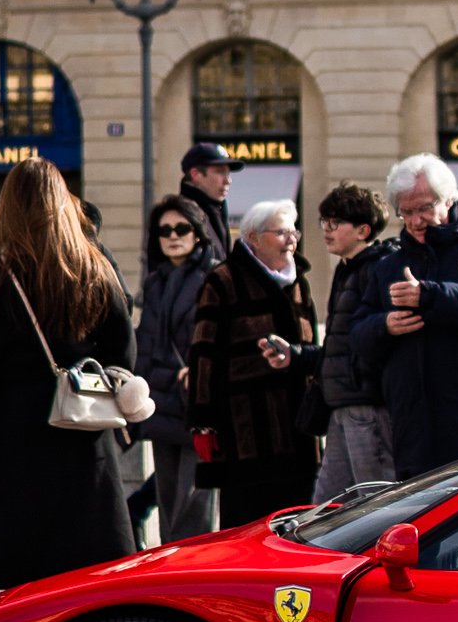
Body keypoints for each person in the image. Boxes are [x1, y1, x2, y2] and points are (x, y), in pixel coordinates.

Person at [0, 157, 135, 592]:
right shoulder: (92, 264)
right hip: (83, 421)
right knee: (89, 549)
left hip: (13, 426)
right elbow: (123, 347)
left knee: (14, 561)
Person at [351, 155, 458, 476]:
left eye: (424, 208)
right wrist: (385, 326)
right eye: (406, 212)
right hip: (412, 427)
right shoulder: (390, 264)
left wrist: (430, 296)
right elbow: (358, 335)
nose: (415, 220)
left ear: (449, 200)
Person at [188, 197, 320, 528]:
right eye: (281, 233)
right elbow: (203, 353)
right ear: (253, 238)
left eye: (294, 232)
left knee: (298, 524)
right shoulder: (223, 280)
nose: (291, 240)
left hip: (298, 428)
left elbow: (312, 348)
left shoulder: (299, 282)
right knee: (246, 525)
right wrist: (203, 421)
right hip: (245, 430)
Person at [261, 183, 394, 501]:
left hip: (367, 406)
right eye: (324, 222)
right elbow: (339, 348)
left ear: (363, 230)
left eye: (335, 223)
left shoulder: (378, 269)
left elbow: (374, 343)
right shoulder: (347, 270)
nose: (326, 230)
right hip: (342, 404)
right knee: (328, 506)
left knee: (376, 503)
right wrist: (295, 356)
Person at [133, 195, 219, 542]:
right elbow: (146, 344)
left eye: (181, 228)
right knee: (168, 500)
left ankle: (195, 570)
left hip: (198, 400)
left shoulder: (214, 276)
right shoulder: (155, 282)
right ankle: (171, 568)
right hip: (160, 399)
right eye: (164, 230)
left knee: (195, 503)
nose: (172, 236)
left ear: (197, 233)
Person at [176, 141, 235, 266]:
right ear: (196, 175)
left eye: (228, 173)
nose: (227, 180)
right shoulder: (178, 215)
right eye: (220, 171)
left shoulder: (215, 211)